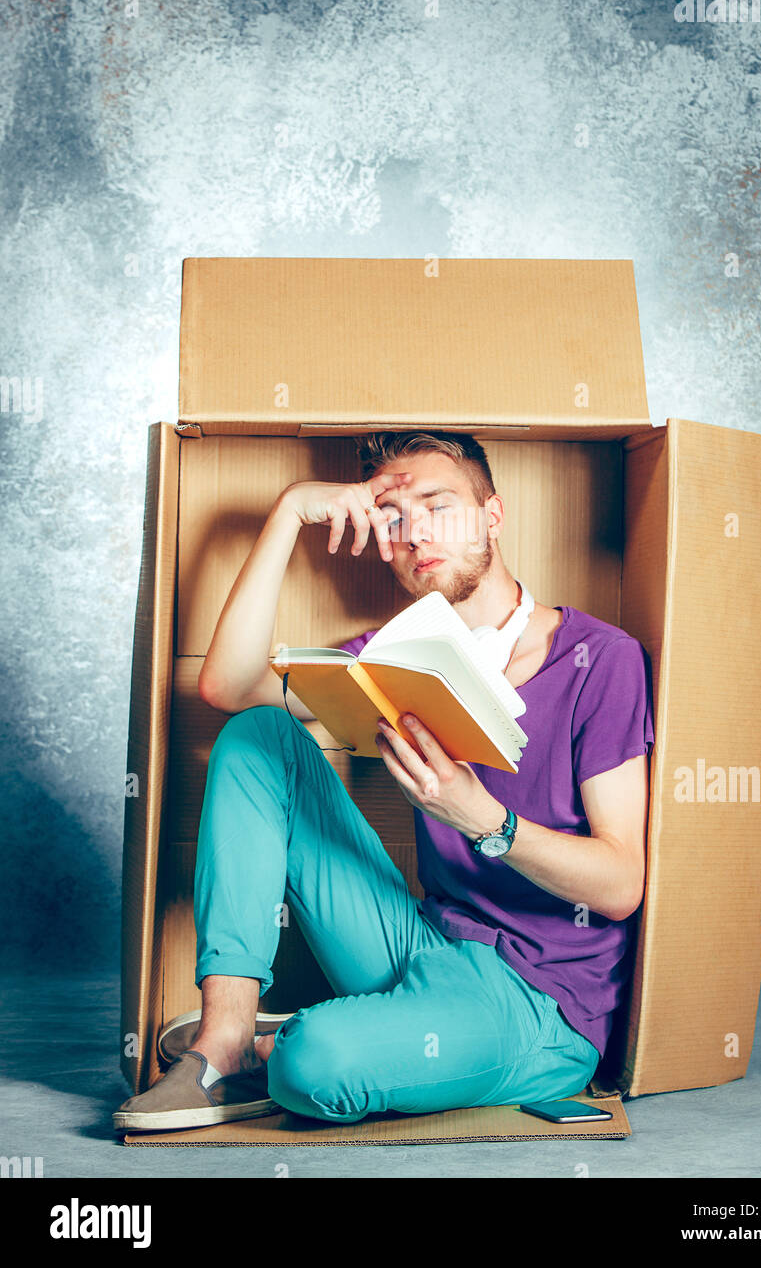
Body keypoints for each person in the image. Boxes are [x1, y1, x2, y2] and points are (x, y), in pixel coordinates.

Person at [114, 430, 654, 1131]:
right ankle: (225, 1042)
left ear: (493, 516)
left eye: (439, 505)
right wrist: (289, 511)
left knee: (315, 1065)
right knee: (259, 737)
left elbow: (619, 887)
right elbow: (227, 685)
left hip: (538, 1006)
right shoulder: (396, 659)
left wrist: (481, 819)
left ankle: (286, 1045)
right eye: (395, 519)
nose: (416, 532)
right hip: (421, 946)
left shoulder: (599, 660)